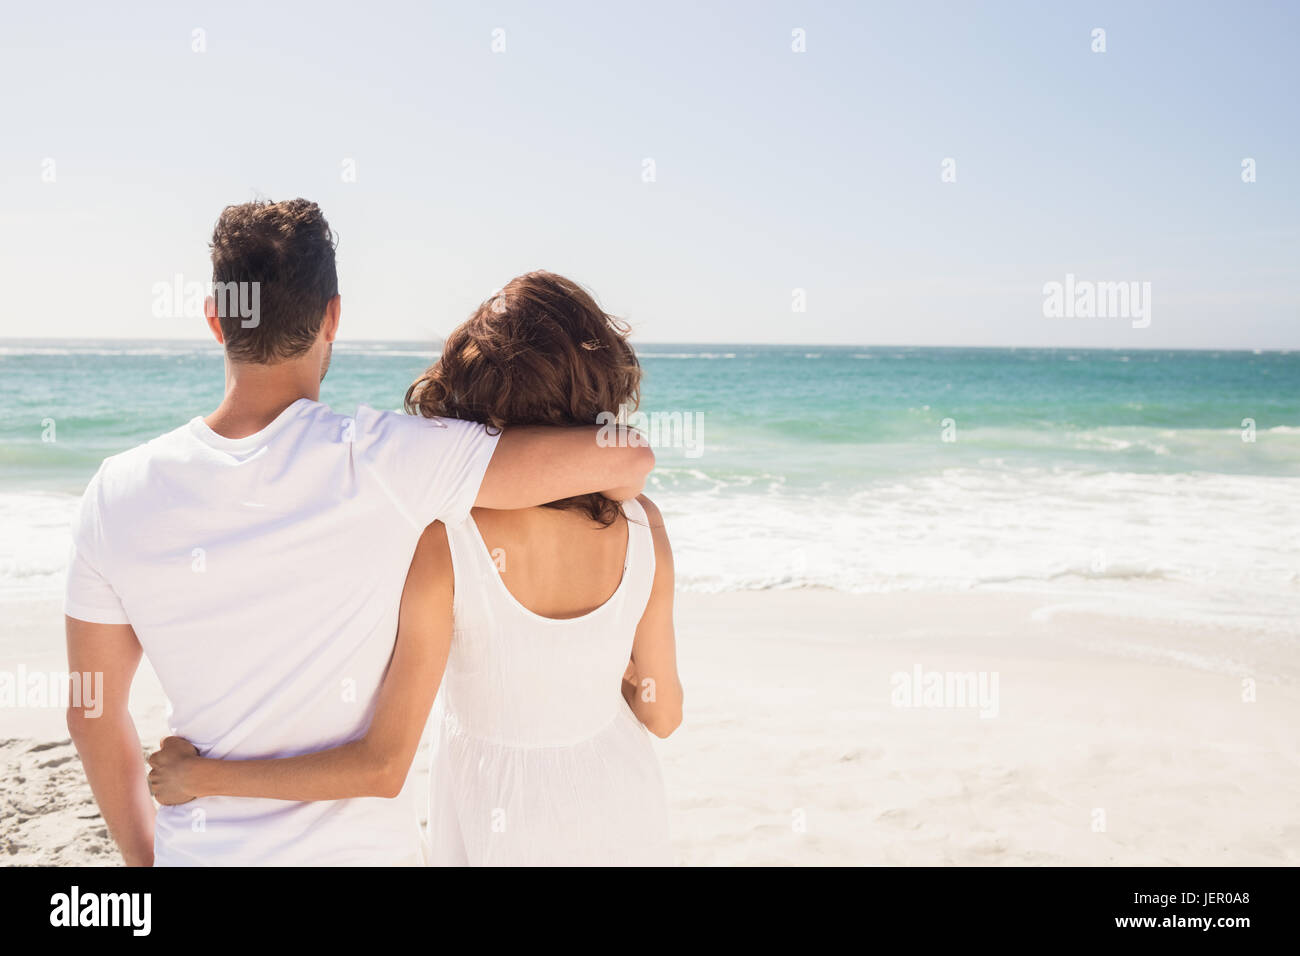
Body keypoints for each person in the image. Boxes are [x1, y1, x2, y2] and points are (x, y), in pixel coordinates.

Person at [65, 204, 654, 867]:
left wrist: (148, 862)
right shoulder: (385, 461)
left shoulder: (115, 492)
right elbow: (625, 458)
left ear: (215, 319)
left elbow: (91, 715)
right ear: (332, 317)